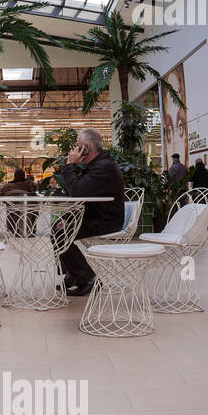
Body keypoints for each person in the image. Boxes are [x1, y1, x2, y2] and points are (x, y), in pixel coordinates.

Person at [56, 127, 125, 297]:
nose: (75, 149)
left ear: (86, 148)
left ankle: (87, 279)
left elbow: (77, 192)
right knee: (59, 229)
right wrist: (66, 217)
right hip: (97, 216)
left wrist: (70, 165)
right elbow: (83, 197)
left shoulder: (103, 167)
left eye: (78, 146)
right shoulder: (98, 165)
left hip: (107, 221)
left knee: (62, 234)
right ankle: (74, 274)